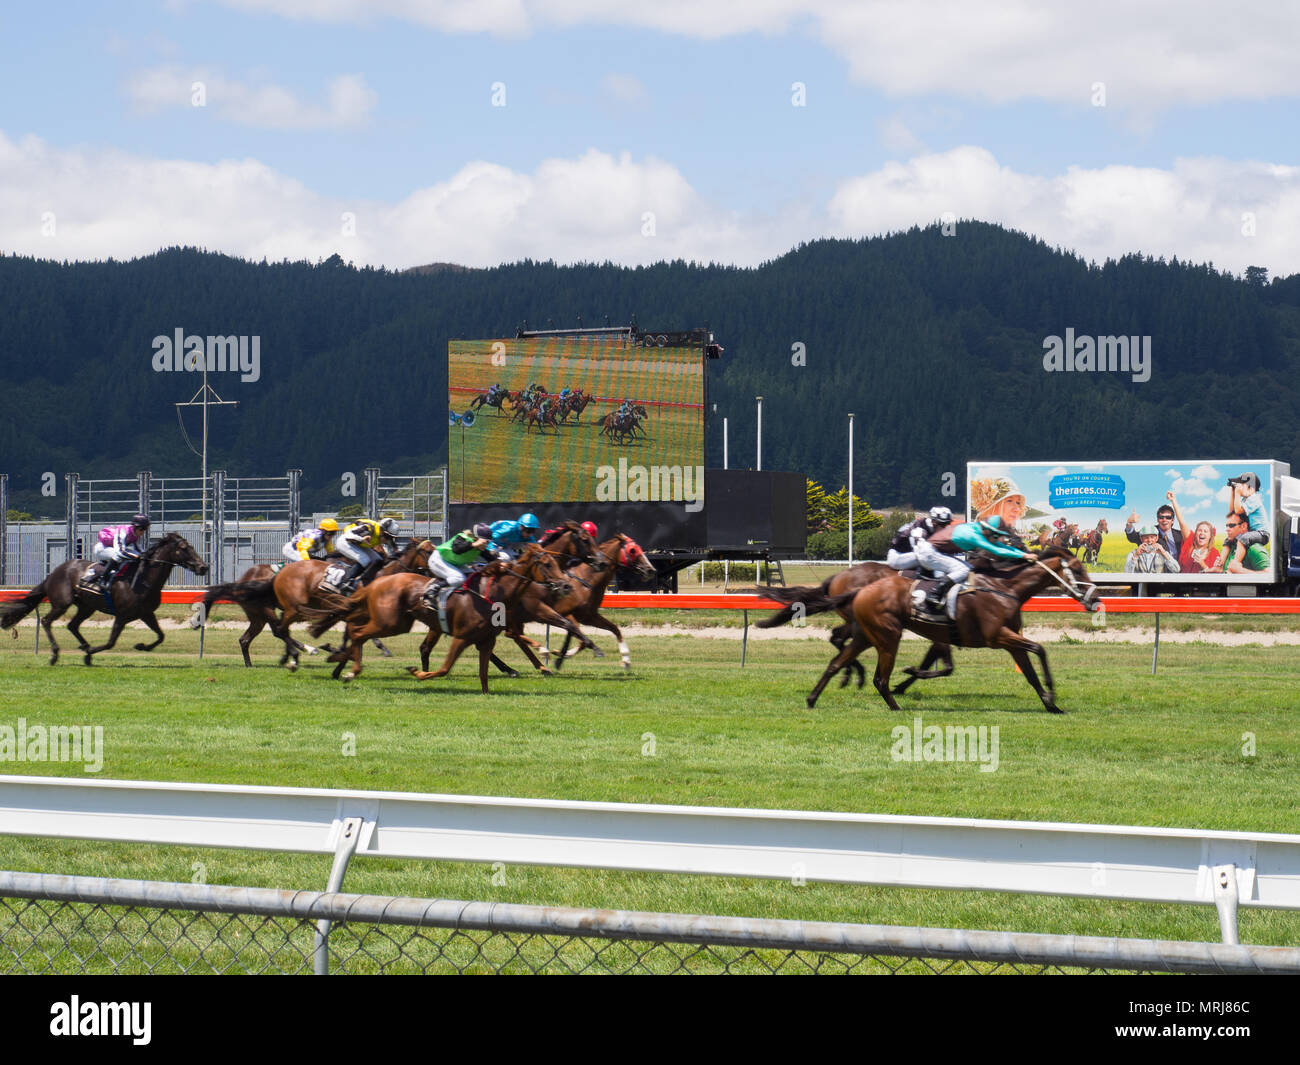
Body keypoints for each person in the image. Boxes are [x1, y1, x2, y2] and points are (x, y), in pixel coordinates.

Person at [888, 507, 964, 611]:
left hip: (908, 555)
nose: (945, 527)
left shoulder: (931, 528)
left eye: (947, 524)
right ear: (934, 522)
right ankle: (928, 585)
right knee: (928, 556)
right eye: (943, 524)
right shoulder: (920, 530)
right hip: (897, 558)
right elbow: (922, 554)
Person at [87, 514, 151, 589]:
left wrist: (146, 556)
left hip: (112, 548)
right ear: (135, 527)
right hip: (102, 548)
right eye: (142, 529)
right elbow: (120, 551)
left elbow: (139, 550)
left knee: (135, 555)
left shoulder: (135, 534)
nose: (143, 532)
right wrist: (136, 557)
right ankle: (103, 578)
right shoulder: (124, 531)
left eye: (145, 529)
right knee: (118, 555)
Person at [336, 517, 400, 588]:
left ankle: (368, 580)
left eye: (391, 537)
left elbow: (395, 550)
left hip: (359, 544)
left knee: (378, 560)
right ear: (381, 530)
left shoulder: (384, 535)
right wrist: (361, 539)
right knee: (365, 560)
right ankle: (346, 582)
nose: (388, 540)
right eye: (387, 536)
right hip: (345, 542)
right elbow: (348, 535)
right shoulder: (369, 528)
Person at [428, 524, 498, 589]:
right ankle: (434, 588)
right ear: (477, 538)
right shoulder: (463, 538)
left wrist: (501, 564)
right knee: (459, 578)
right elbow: (456, 550)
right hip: (438, 560)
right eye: (486, 542)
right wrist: (474, 544)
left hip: (453, 563)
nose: (487, 544)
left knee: (473, 577)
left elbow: (492, 559)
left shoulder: (480, 548)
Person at [1227, 473, 1269, 568]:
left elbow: (1238, 510)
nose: (1239, 488)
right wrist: (1233, 492)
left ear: (1251, 488)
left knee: (1243, 538)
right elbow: (1233, 511)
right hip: (1252, 533)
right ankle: (1220, 564)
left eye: (1242, 485)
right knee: (1228, 540)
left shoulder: (1254, 498)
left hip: (1261, 533)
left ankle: (1235, 564)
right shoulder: (1245, 500)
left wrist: (1237, 494)